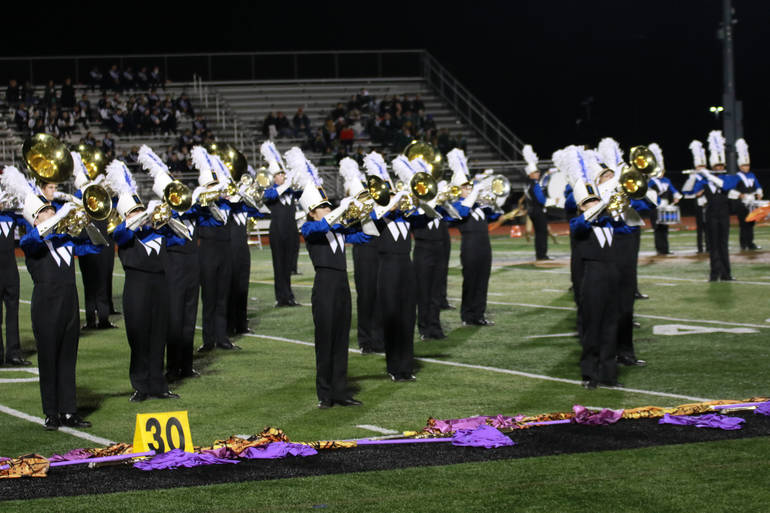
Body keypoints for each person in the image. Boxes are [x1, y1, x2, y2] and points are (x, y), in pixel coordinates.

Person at [4, 165, 98, 429]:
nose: (52, 212)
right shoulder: (31, 242)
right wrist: (56, 219)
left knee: (69, 358)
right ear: (35, 218)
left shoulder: (67, 240)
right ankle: (51, 413)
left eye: (52, 209)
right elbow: (33, 238)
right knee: (48, 359)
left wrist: (89, 220)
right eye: (45, 211)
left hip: (70, 301)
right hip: (45, 303)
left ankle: (69, 411)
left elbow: (97, 245)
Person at [106, 160, 178, 402]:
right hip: (136, 288)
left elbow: (180, 228)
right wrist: (135, 217)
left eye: (140, 211)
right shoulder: (123, 233)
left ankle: (158, 384)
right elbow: (121, 232)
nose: (140, 216)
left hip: (160, 286)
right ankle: (140, 385)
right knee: (138, 336)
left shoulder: (157, 232)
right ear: (127, 215)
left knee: (159, 335)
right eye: (134, 212)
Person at [299, 183, 367, 408]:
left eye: (329, 207)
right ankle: (325, 394)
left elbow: (368, 236)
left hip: (341, 284)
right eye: (322, 207)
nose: (328, 210)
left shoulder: (339, 229)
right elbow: (321, 227)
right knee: (325, 340)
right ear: (312, 212)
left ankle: (340, 391)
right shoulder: (308, 227)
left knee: (341, 339)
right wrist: (341, 209)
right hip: (325, 285)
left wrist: (369, 211)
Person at [190, 146, 240, 352]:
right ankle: (208, 339)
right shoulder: (201, 207)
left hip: (225, 250)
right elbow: (191, 209)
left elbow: (250, 205)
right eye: (210, 185)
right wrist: (203, 198)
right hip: (208, 251)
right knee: (209, 295)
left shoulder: (227, 204)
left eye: (215, 184)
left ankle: (222, 337)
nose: (214, 188)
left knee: (222, 295)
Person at [447, 149, 498, 326]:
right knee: (470, 281)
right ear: (458, 190)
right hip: (469, 246)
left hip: (485, 246)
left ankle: (479, 314)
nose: (468, 190)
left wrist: (493, 200)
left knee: (483, 280)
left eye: (469, 187)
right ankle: (467, 315)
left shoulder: (477, 205)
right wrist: (475, 194)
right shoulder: (457, 205)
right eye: (465, 187)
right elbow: (461, 214)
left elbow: (494, 216)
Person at [684, 132, 741, 281]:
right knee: (713, 246)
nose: (719, 167)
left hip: (724, 215)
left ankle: (726, 274)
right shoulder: (704, 181)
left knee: (724, 245)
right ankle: (714, 274)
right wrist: (693, 176)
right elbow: (688, 192)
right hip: (711, 215)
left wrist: (709, 176)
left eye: (721, 165)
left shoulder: (729, 177)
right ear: (713, 165)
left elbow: (725, 185)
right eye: (717, 165)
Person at [261, 141, 300, 307]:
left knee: (289, 265)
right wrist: (285, 185)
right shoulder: (271, 191)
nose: (282, 177)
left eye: (283, 174)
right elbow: (269, 196)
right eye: (279, 175)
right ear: (273, 177)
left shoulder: (290, 191)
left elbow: (303, 189)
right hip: (277, 231)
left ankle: (289, 295)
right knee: (279, 264)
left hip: (291, 230)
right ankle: (281, 297)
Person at [0, 175, 29, 366]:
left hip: (10, 270)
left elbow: (28, 214)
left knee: (13, 312)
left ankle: (13, 352)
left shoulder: (10, 216)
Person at [646, 143, 682, 256]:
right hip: (656, 207)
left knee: (665, 228)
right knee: (657, 229)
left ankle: (665, 249)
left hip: (665, 206)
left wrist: (676, 197)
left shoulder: (667, 180)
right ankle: (659, 249)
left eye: (662, 170)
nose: (661, 173)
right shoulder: (651, 181)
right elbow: (648, 193)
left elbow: (673, 190)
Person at [732, 138, 763, 251]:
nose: (746, 167)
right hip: (741, 204)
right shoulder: (736, 176)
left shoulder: (752, 175)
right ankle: (743, 244)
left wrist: (759, 193)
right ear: (740, 166)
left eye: (747, 165)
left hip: (752, 202)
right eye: (744, 165)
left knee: (751, 223)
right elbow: (731, 190)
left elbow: (758, 186)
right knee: (743, 224)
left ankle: (750, 243)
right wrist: (740, 195)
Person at [522, 145, 550, 260]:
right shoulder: (535, 184)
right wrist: (551, 201)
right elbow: (541, 199)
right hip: (538, 210)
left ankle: (539, 254)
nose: (538, 174)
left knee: (538, 233)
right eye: (536, 172)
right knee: (542, 233)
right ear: (531, 174)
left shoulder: (527, 184)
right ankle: (542, 254)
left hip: (531, 211)